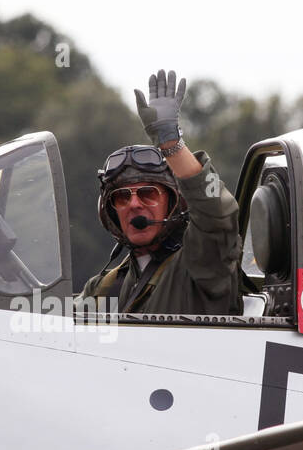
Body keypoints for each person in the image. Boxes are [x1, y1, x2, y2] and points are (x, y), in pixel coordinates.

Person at [78, 69, 242, 315]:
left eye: (148, 193)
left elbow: (217, 213)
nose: (134, 204)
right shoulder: (101, 290)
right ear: (111, 212)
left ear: (173, 203)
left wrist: (170, 144)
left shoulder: (202, 267)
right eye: (122, 197)